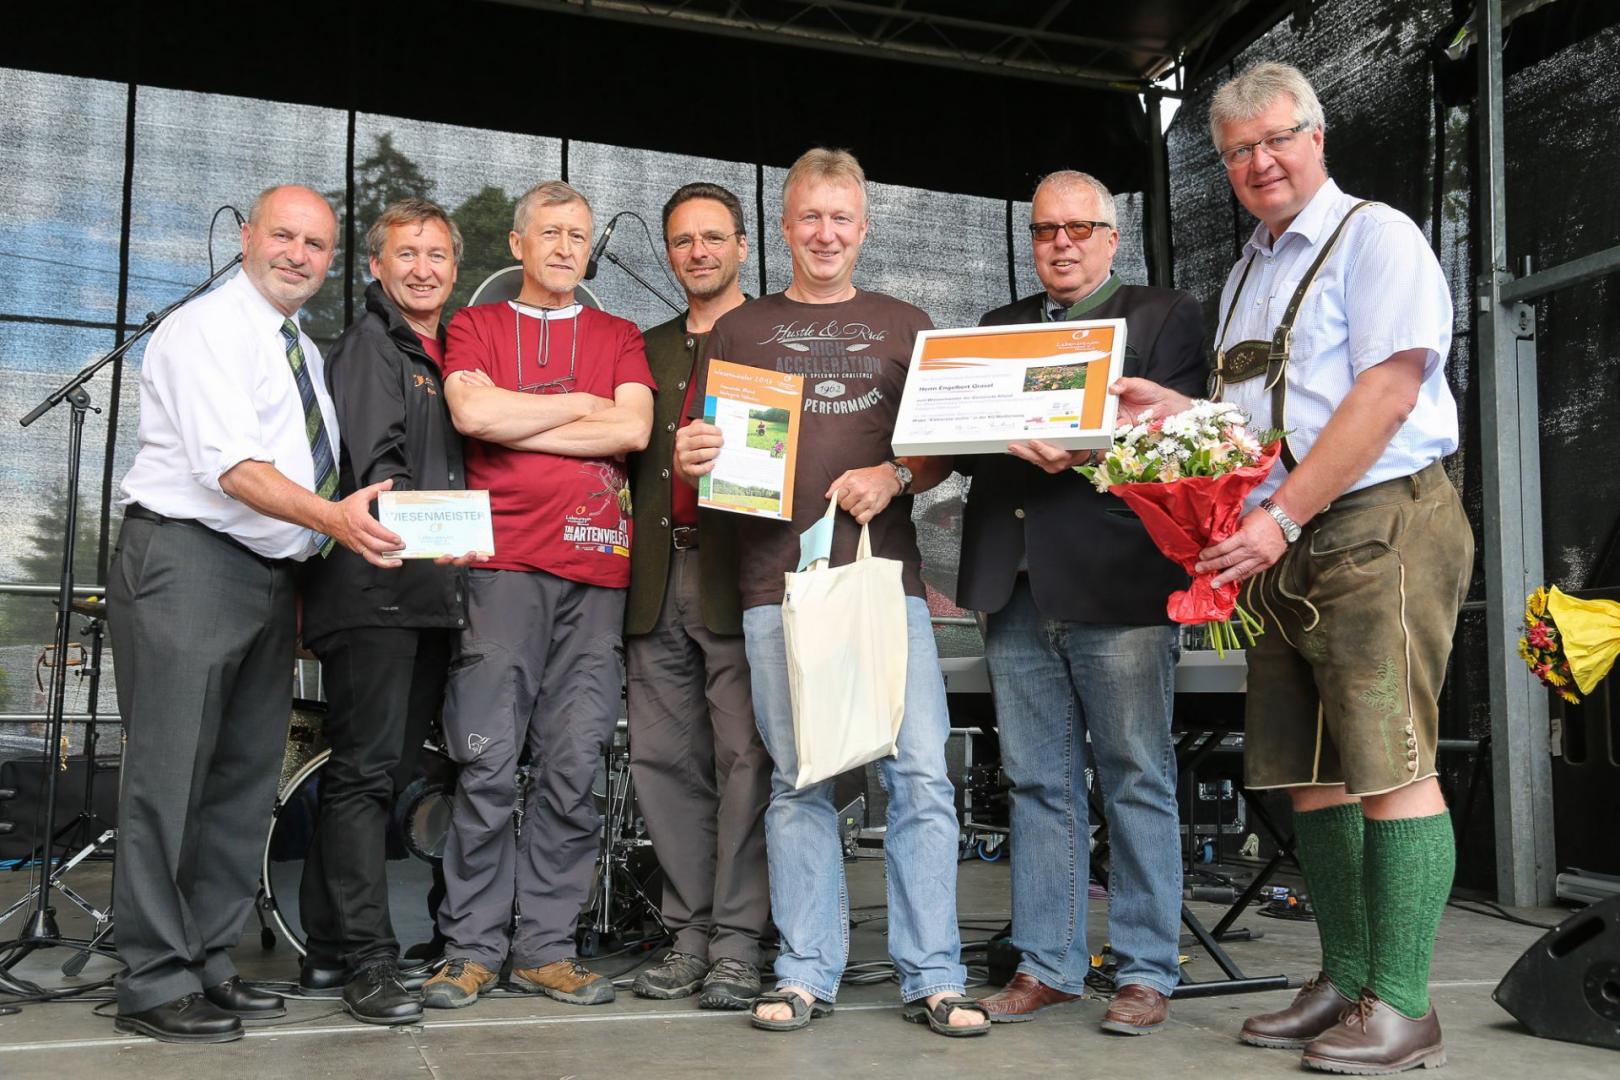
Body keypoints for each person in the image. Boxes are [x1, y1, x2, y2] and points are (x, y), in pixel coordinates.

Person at [1110, 62, 1469, 1075]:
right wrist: (1178, 416)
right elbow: (1264, 415)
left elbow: (1387, 394)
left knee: (1391, 764)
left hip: (1375, 523)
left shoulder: (1378, 237)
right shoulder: (1248, 272)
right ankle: (1344, 978)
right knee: (1311, 774)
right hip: (1282, 535)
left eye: (1276, 139)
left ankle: (1404, 1004)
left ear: (1317, 133)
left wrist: (1283, 515)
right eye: (1236, 152)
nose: (1258, 163)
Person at [674, 148, 989, 1037]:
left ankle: (935, 975)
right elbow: (698, 450)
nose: (826, 233)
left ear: (863, 226)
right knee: (800, 779)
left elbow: (940, 448)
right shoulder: (736, 332)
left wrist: (894, 473)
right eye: (810, 217)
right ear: (784, 226)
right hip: (776, 589)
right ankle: (806, 969)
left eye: (841, 218)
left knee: (921, 773)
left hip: (886, 585)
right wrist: (692, 456)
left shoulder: (905, 324)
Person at [108, 184, 404, 1043]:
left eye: (317, 244)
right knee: (170, 781)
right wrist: (339, 522)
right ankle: (154, 979)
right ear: (245, 236)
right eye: (284, 235)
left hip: (270, 576)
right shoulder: (205, 329)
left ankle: (207, 960)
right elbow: (232, 469)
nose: (300, 255)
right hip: (190, 562)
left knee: (243, 786)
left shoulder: (301, 352)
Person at [957, 171, 1206, 1033]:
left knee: (1137, 776)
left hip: (1120, 585)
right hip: (1015, 582)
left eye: (1078, 228)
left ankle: (1145, 971)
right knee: (1035, 783)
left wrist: (1095, 434)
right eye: (1044, 231)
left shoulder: (1168, 317)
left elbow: (1190, 439)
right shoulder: (993, 331)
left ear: (1112, 236)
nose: (1060, 243)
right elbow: (958, 446)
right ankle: (1048, 964)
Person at [421, 180, 655, 1010]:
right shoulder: (476, 325)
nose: (565, 247)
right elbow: (473, 415)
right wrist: (577, 407)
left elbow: (631, 430)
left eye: (579, 236)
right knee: (484, 761)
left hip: (597, 576)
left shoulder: (619, 333)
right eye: (550, 233)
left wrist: (528, 417)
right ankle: (472, 948)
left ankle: (545, 949)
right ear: (518, 245)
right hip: (503, 570)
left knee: (572, 766)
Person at [297, 198, 480, 1024]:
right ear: (374, 266)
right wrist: (464, 530)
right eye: (406, 253)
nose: (423, 268)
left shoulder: (438, 351)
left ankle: (331, 952)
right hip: (374, 592)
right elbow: (380, 476)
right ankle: (368, 961)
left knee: (379, 774)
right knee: (366, 775)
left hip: (424, 595)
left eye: (437, 254)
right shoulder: (372, 346)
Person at [624, 183, 771, 1010]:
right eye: (683, 241)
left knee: (747, 762)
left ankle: (739, 943)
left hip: (739, 579)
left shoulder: (774, 335)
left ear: (744, 246)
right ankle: (688, 933)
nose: (699, 253)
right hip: (653, 582)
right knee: (663, 763)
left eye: (714, 238)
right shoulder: (640, 349)